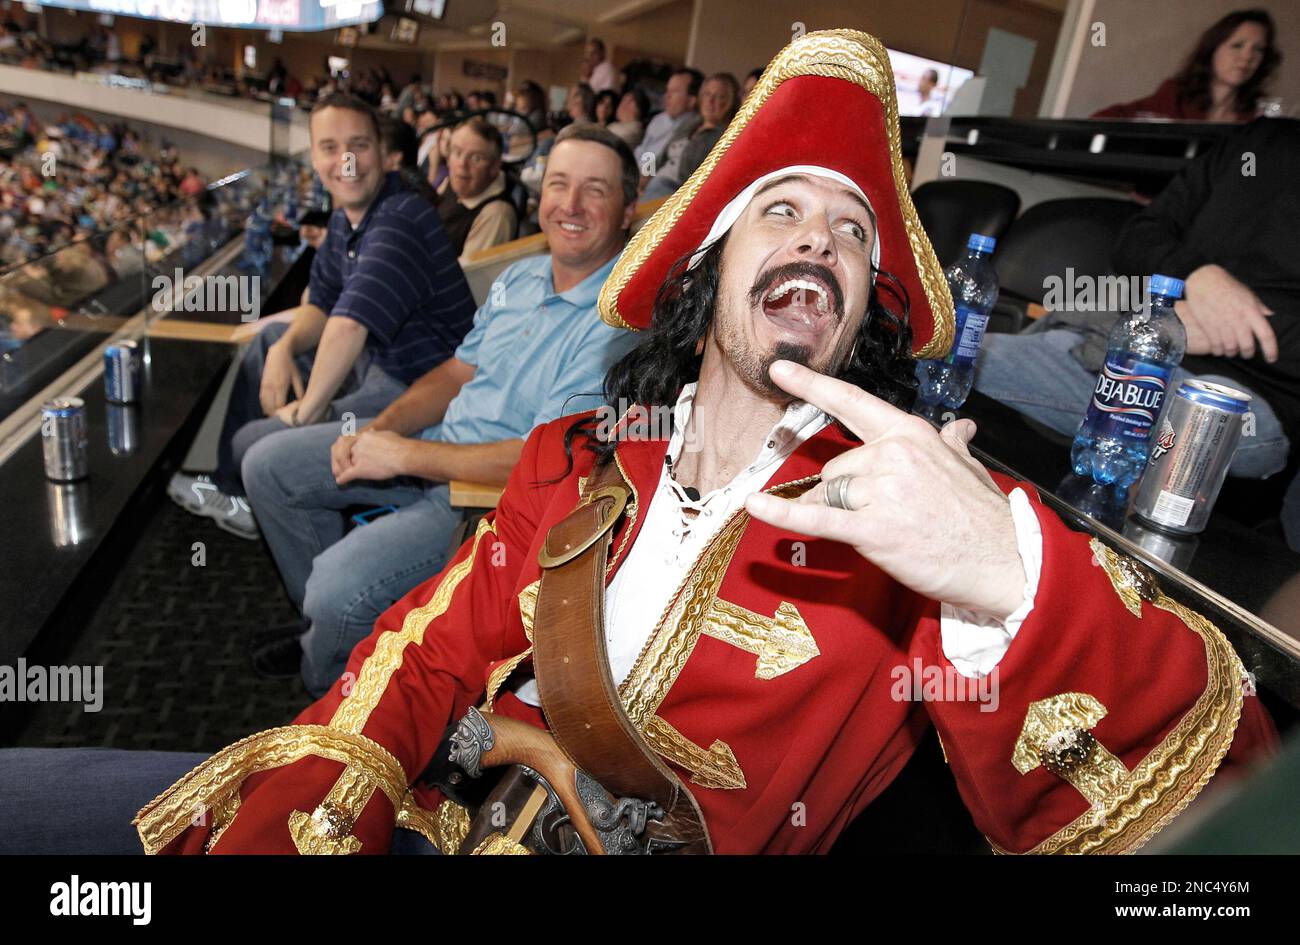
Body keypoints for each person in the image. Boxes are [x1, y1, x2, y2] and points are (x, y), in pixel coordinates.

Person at [0, 29, 1275, 858]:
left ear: (870, 312)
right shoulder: (574, 457)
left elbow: (1219, 821)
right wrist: (329, 798)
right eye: (782, 211)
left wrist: (1001, 575)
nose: (820, 240)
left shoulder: (917, 522)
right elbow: (428, 653)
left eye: (851, 237)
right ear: (704, 280)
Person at [242, 123, 642, 695]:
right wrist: (381, 430)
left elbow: (546, 460)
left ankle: (330, 689)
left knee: (334, 586)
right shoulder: (522, 275)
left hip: (484, 507)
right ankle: (336, 636)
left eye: (595, 191)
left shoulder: (616, 322)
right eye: (559, 184)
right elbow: (457, 372)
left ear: (628, 209)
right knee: (268, 466)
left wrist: (405, 453)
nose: (571, 205)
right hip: (434, 445)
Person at [167, 94, 477, 539]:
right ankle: (237, 495)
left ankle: (304, 534)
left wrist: (305, 413)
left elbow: (349, 326)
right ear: (313, 157)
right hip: (376, 370)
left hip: (424, 391)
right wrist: (285, 349)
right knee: (268, 343)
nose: (346, 162)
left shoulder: (400, 218)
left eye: (359, 145)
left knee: (253, 443)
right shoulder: (345, 219)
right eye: (330, 148)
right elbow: (323, 304)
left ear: (384, 153)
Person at [974, 117, 1299, 481]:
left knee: (1189, 428)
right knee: (945, 357)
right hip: (1134, 346)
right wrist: (1199, 275)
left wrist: (1208, 326)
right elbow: (1138, 237)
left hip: (1247, 395)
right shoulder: (1259, 139)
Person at [1092, 9, 1279, 122]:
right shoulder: (1176, 95)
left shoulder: (1259, 115)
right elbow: (1105, 119)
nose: (1247, 57)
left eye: (1258, 50)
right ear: (1213, 49)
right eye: (1237, 46)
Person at [434, 116, 518, 263]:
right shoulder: (453, 184)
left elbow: (469, 278)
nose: (462, 165)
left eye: (476, 158)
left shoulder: (496, 214)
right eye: (457, 152)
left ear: (494, 167)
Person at [643, 72, 739, 200]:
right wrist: (642, 181)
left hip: (674, 193)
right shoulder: (689, 124)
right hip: (654, 183)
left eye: (720, 97)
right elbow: (660, 157)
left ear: (730, 103)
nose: (710, 101)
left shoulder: (726, 137)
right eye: (707, 94)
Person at [635, 68, 702, 178]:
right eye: (667, 91)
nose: (667, 96)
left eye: (674, 91)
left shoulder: (696, 129)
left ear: (691, 100)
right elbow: (645, 150)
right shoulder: (659, 119)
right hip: (638, 175)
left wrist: (645, 176)